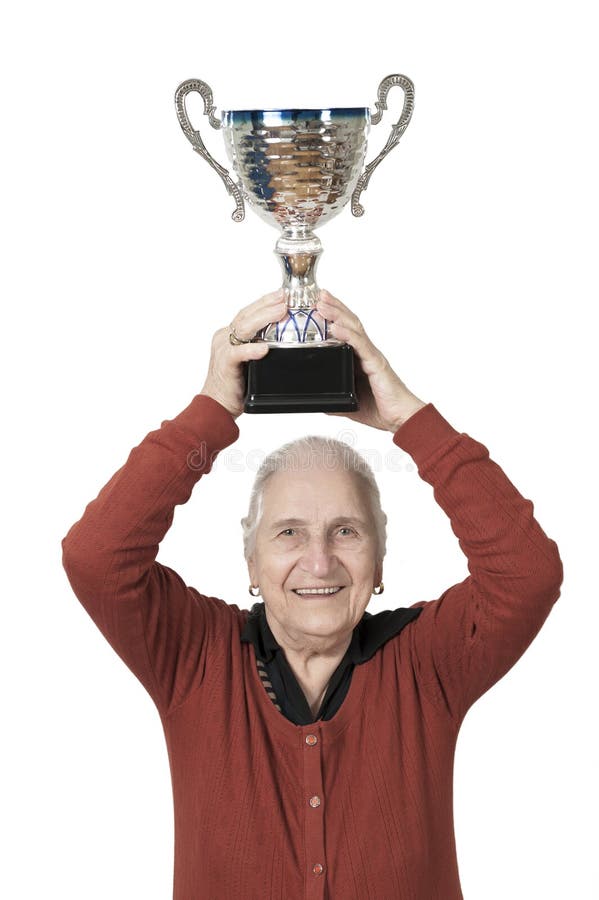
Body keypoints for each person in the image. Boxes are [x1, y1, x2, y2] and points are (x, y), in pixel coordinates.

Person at [61, 288, 563, 899]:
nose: (318, 560)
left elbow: (528, 573)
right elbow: (97, 557)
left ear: (379, 559)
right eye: (289, 533)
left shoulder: (429, 662)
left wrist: (410, 421)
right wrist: (213, 412)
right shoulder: (194, 658)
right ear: (252, 561)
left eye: (345, 532)